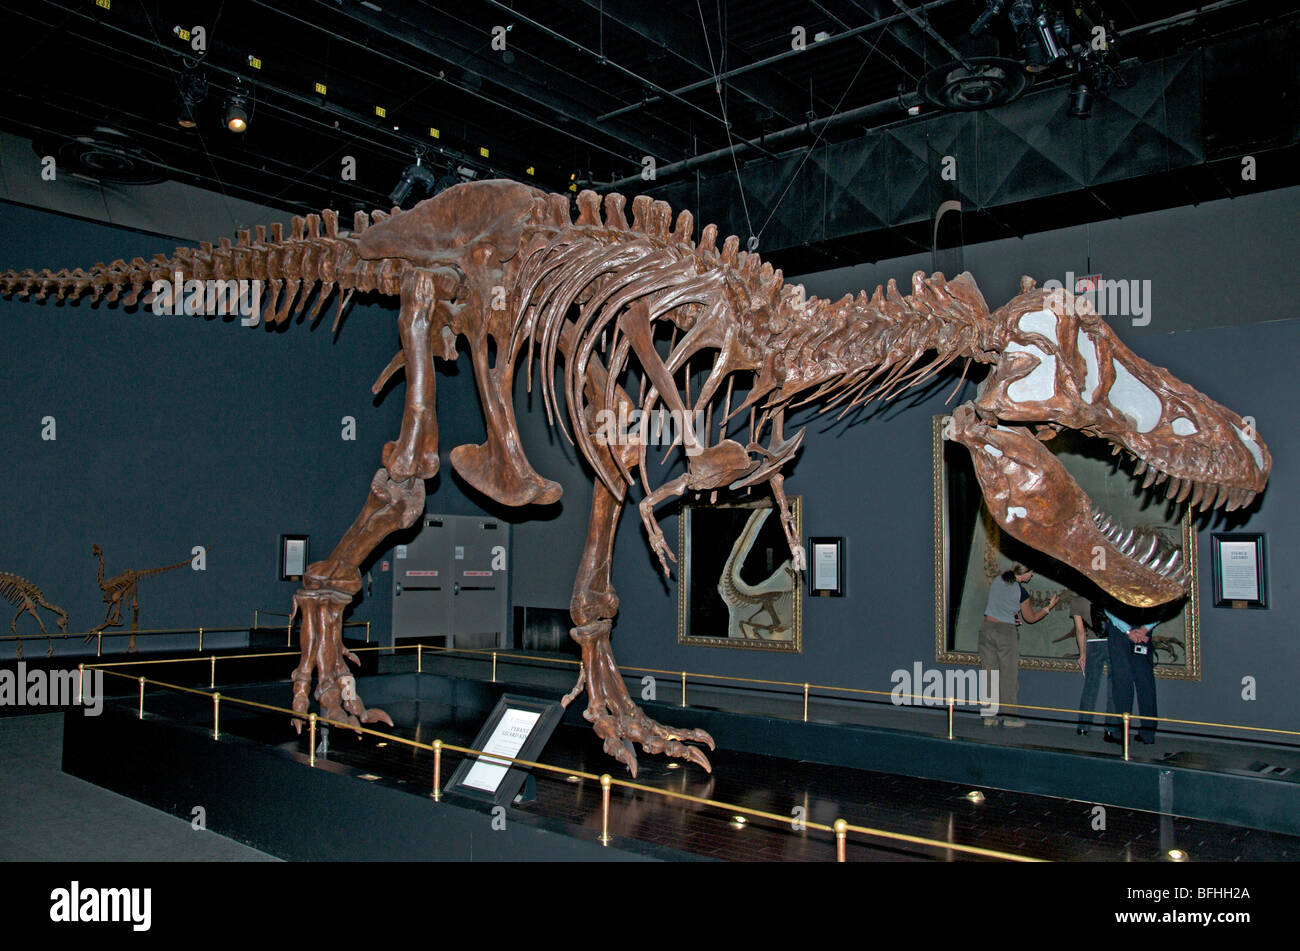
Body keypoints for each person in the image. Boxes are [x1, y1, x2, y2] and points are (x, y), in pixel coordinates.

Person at [980, 564, 1059, 727]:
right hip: (1006, 632)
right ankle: (1010, 717)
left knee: (989, 674)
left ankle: (989, 715)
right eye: (1031, 572)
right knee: (1008, 675)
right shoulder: (1021, 592)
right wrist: (1049, 607)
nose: (1032, 575)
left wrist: (1011, 613)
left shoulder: (997, 579)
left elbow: (999, 604)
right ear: (1024, 574)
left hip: (986, 629)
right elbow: (1030, 618)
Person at [1102, 606, 1160, 745]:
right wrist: (1144, 629)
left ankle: (1122, 733)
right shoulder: (1149, 583)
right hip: (1144, 631)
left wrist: (1127, 630)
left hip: (1120, 633)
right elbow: (1162, 608)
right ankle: (1148, 733)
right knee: (1145, 682)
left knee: (1122, 683)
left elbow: (1108, 606)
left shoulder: (1116, 582)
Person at [1068, 594, 1111, 735]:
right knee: (1114, 687)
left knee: (1090, 686)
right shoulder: (1109, 596)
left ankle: (1083, 726)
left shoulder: (1077, 601)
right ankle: (1111, 729)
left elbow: (1080, 631)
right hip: (1112, 643)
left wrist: (1082, 653)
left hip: (1093, 644)